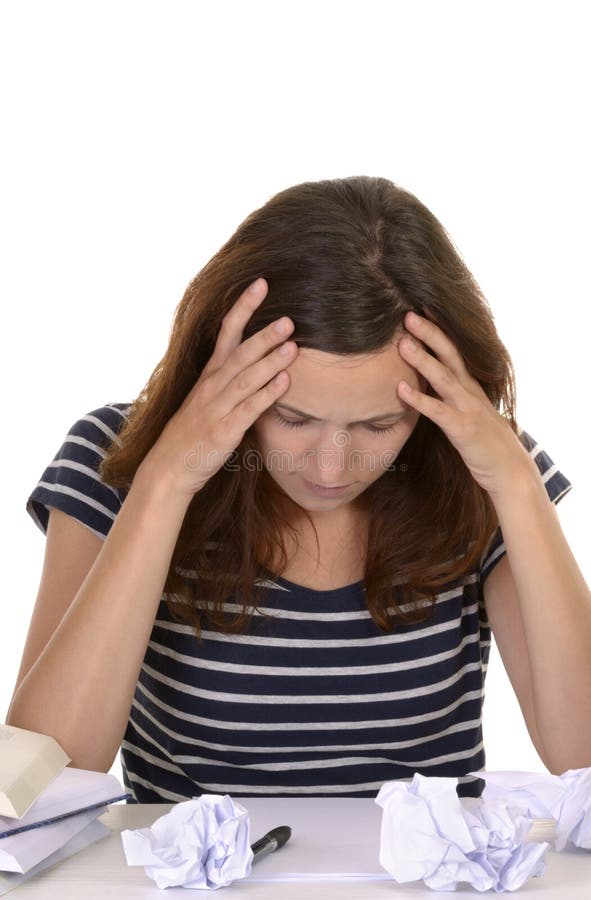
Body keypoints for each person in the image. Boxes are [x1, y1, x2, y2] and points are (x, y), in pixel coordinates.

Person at [6, 176, 590, 804]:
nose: (333, 467)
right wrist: (167, 482)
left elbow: (582, 757)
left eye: (378, 425)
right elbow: (41, 784)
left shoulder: (481, 469)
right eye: (294, 419)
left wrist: (517, 486)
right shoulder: (116, 457)